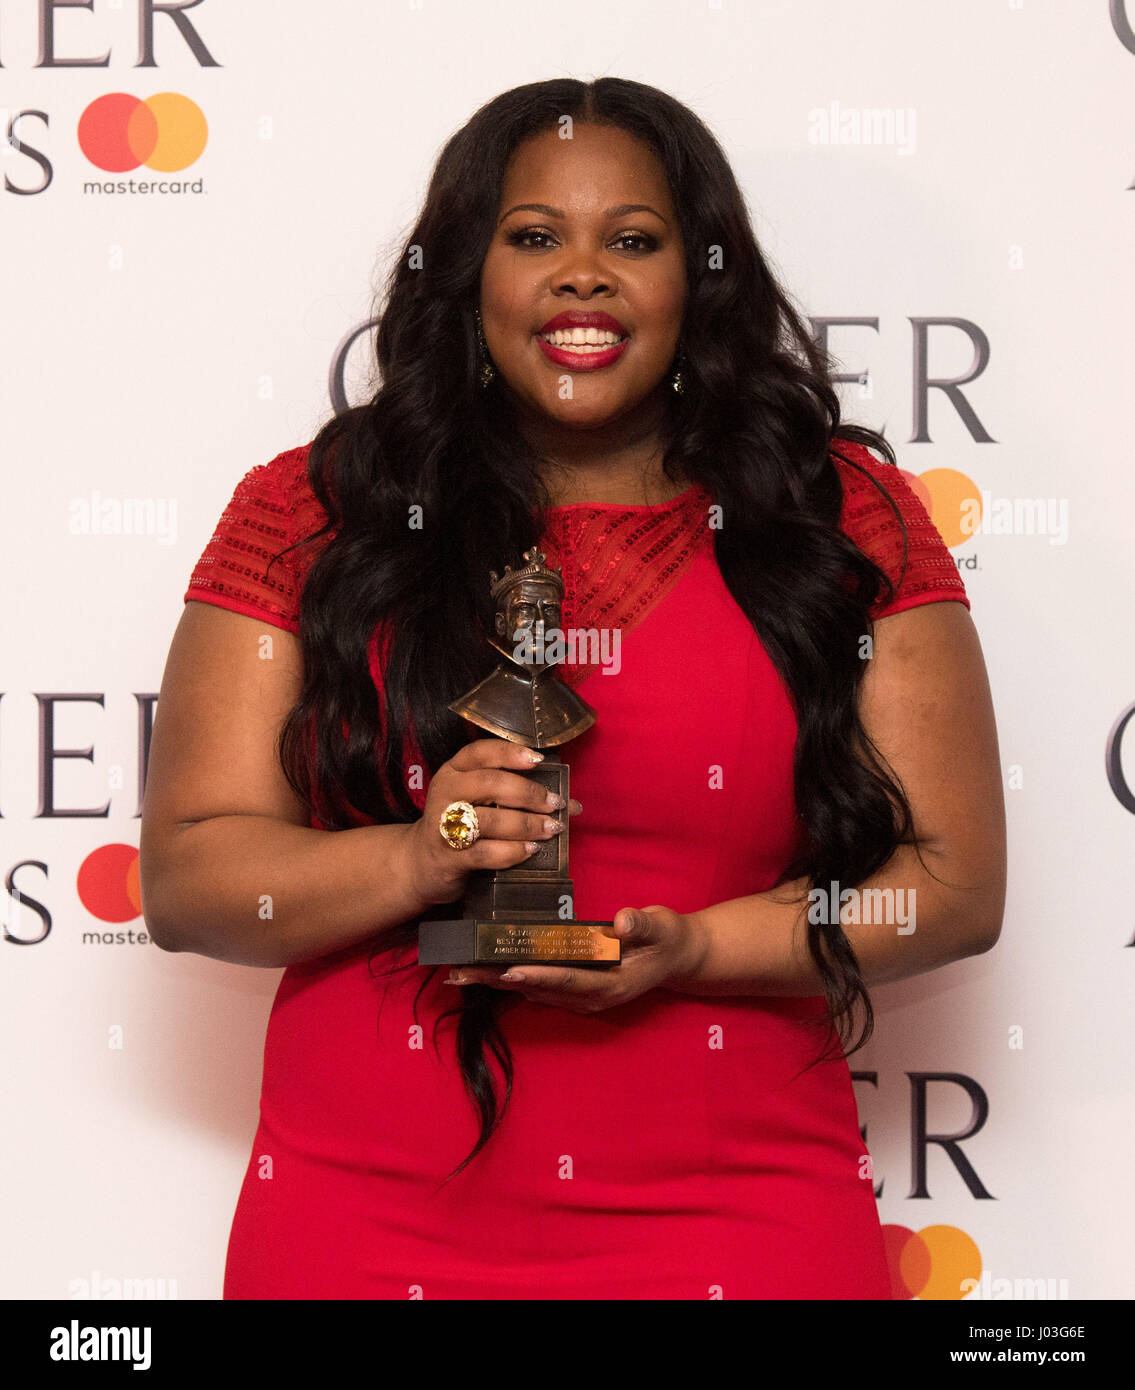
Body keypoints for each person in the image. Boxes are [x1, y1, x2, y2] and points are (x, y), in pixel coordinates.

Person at [140, 77, 1006, 1300]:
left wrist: (697, 947)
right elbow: (187, 878)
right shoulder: (312, 509)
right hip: (368, 1223)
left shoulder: (838, 516)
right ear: (467, 276)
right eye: (535, 236)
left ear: (698, 279)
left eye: (634, 241)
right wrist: (424, 852)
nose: (582, 275)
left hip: (738, 1216)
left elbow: (952, 889)